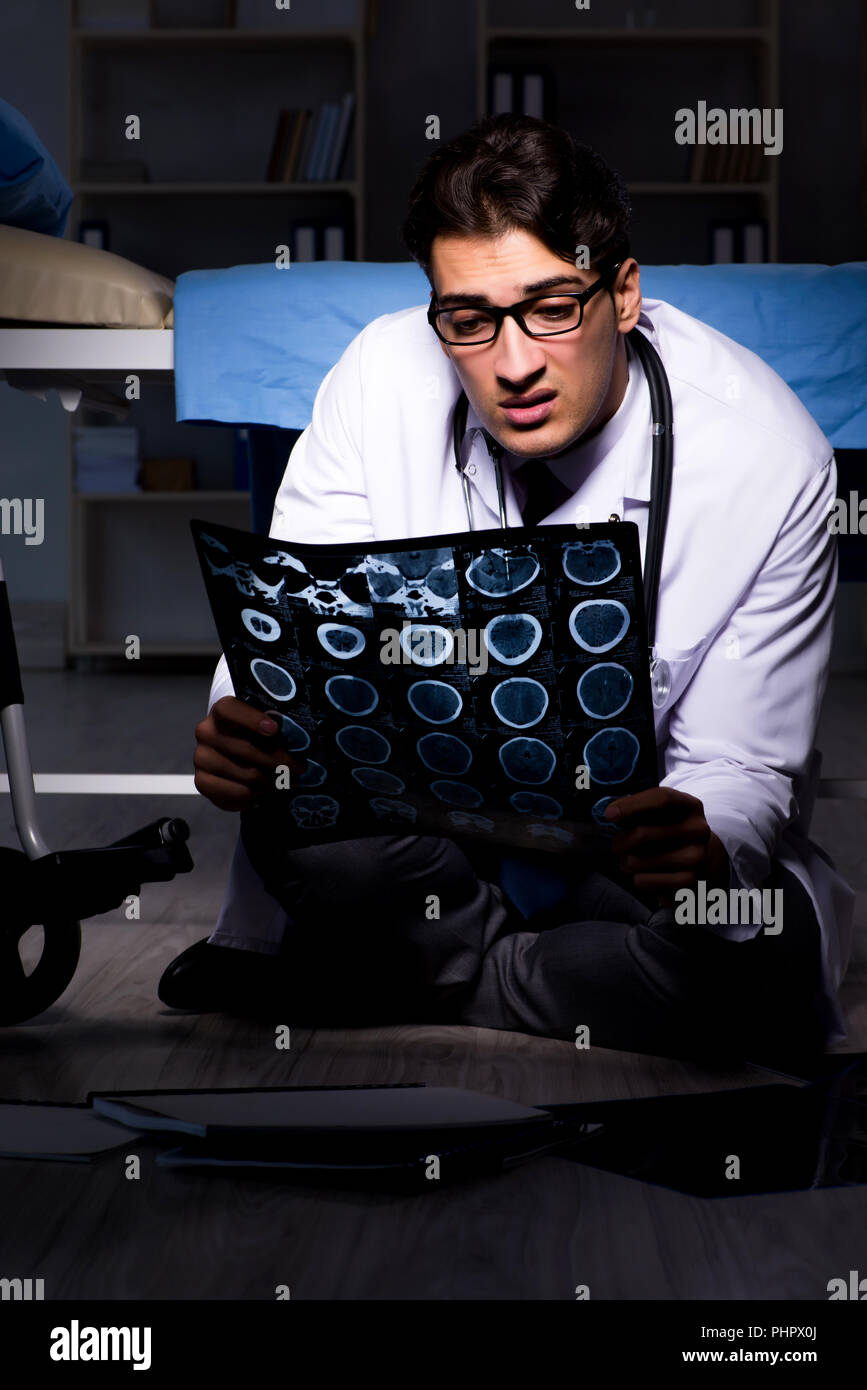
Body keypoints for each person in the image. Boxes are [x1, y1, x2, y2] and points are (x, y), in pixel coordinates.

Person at [159, 114, 853, 1067]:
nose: (514, 363)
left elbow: (742, 766)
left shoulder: (772, 461)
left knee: (748, 954)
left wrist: (699, 841)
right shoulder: (377, 375)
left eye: (553, 308)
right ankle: (534, 979)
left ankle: (404, 979)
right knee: (302, 814)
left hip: (614, 864)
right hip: (418, 845)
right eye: (470, 320)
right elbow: (287, 640)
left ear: (624, 292)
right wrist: (242, 724)